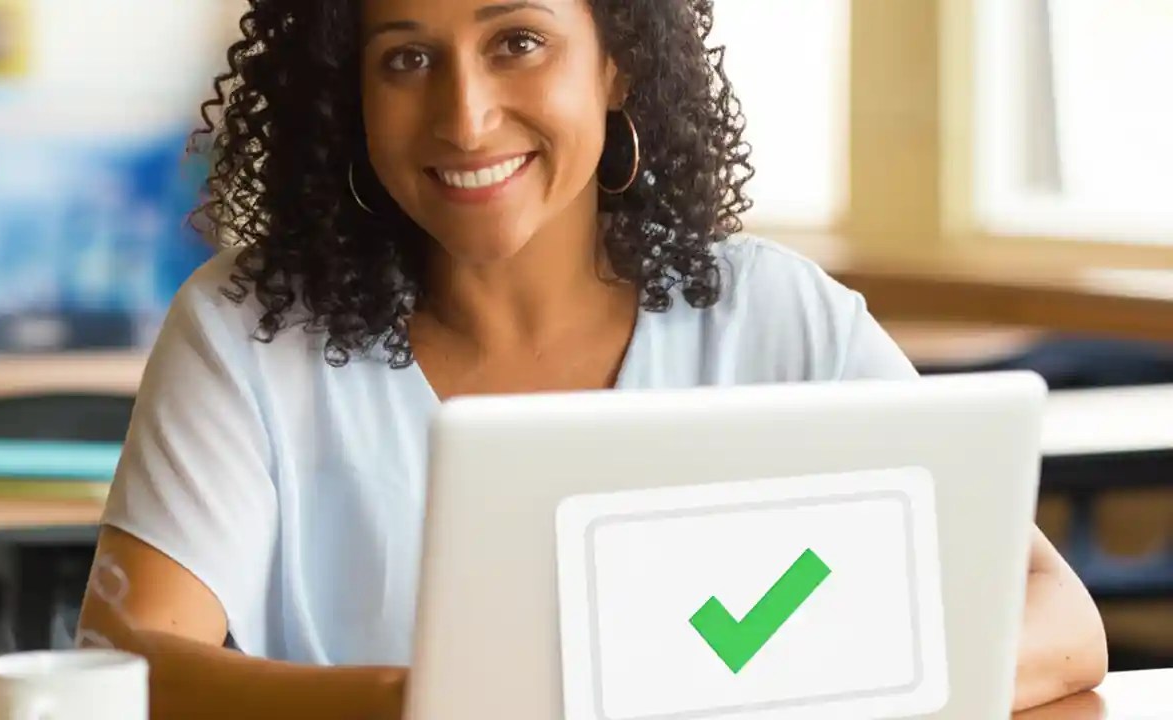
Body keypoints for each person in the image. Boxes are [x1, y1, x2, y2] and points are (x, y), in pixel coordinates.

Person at [77, 1, 1108, 717]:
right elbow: (124, 668)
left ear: (614, 59)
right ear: (344, 94)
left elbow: (1057, 621)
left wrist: (796, 692)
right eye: (403, 58)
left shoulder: (777, 315)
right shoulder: (243, 328)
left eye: (517, 40)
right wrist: (432, 704)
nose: (464, 115)